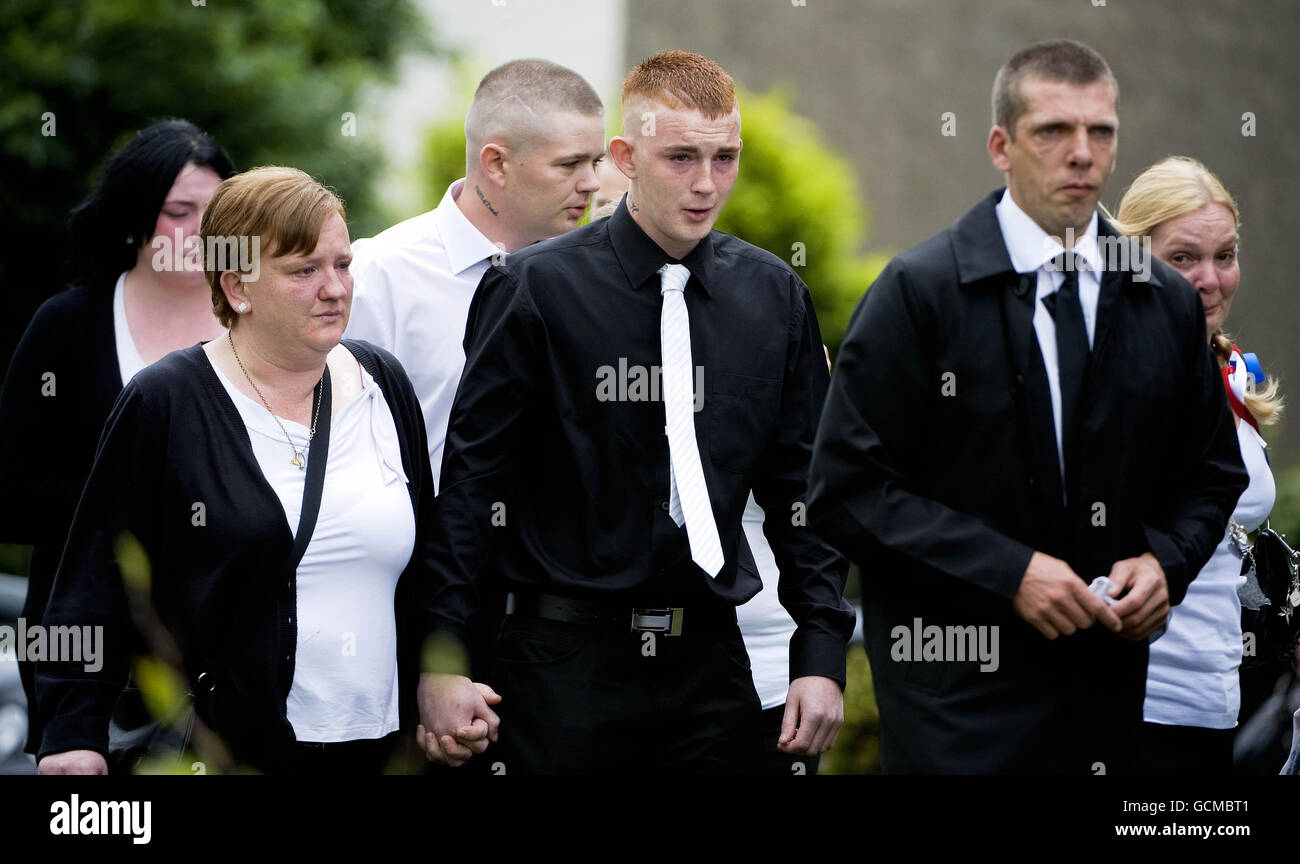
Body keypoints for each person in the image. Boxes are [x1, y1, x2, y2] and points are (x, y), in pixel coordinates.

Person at [807, 39, 1248, 773]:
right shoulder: (921, 292)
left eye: (1100, 132)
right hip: (959, 710)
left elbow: (1210, 475)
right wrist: (1010, 571)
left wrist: (1165, 562)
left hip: (1106, 712)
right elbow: (847, 491)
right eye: (1053, 131)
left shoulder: (1162, 300)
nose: (1082, 154)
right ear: (1001, 146)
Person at [416, 50, 855, 773]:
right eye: (680, 157)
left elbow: (802, 494)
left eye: (725, 157)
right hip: (561, 668)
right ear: (625, 156)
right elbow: (472, 489)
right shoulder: (533, 291)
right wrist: (445, 659)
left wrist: (821, 652)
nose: (706, 183)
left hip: (713, 662)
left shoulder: (773, 298)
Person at [35, 166, 455, 774]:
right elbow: (96, 576)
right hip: (230, 748)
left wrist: (446, 673)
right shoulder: (168, 400)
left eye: (342, 264)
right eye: (304, 270)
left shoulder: (382, 382)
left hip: (381, 748)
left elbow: (432, 562)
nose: (335, 288)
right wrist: (73, 733)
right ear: (237, 287)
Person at [0, 120, 234, 761]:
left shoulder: (259, 323)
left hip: (226, 635)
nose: (198, 233)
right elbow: (12, 491)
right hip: (79, 637)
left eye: (216, 213)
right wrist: (134, 511)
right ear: (135, 217)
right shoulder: (68, 326)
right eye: (176, 212)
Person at [344, 59, 606, 489]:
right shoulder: (379, 276)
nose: (592, 183)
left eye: (595, 162)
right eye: (569, 164)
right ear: (497, 163)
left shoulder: (592, 279)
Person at [1111, 156, 1282, 773]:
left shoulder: (1230, 368)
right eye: (1182, 258)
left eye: (1225, 255)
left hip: (1219, 698)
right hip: (1135, 706)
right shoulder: (1112, 376)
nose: (1210, 279)